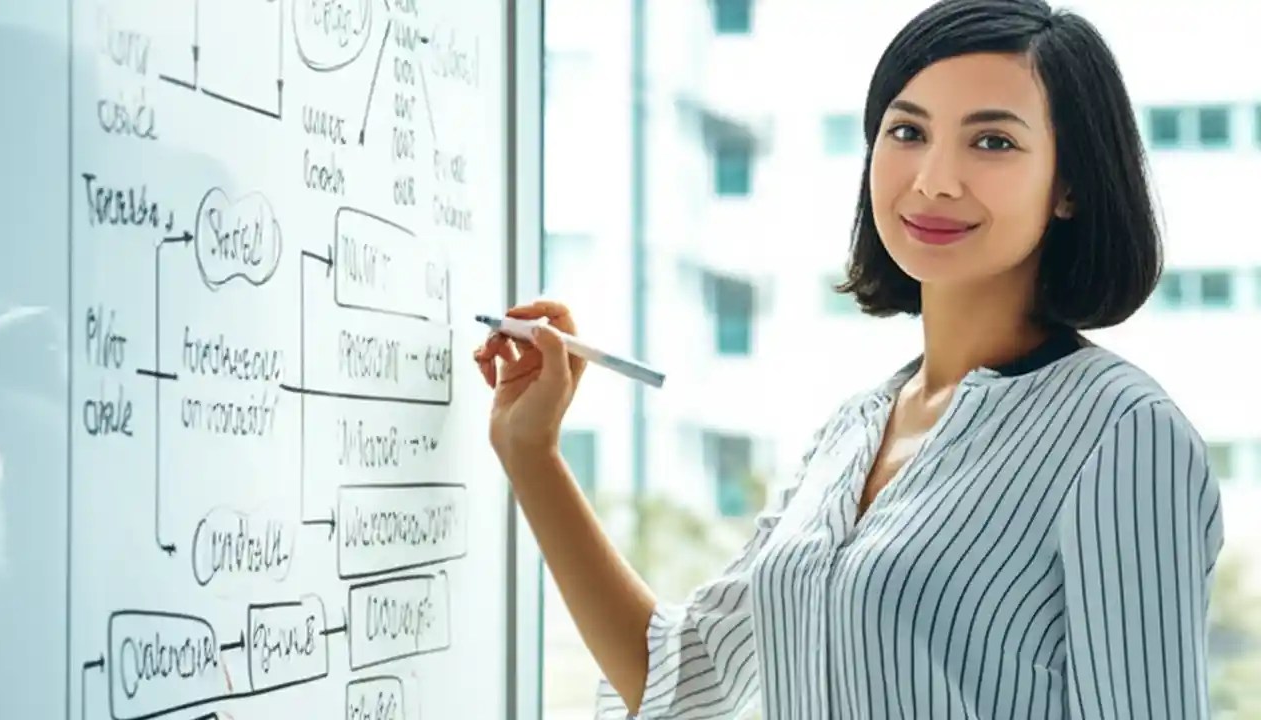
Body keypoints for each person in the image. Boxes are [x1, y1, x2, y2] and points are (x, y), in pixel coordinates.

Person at [473, 0, 1225, 717]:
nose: (933, 178)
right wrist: (530, 452)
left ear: (1069, 185)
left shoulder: (1125, 435)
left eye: (992, 141)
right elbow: (682, 683)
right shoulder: (850, 434)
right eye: (907, 132)